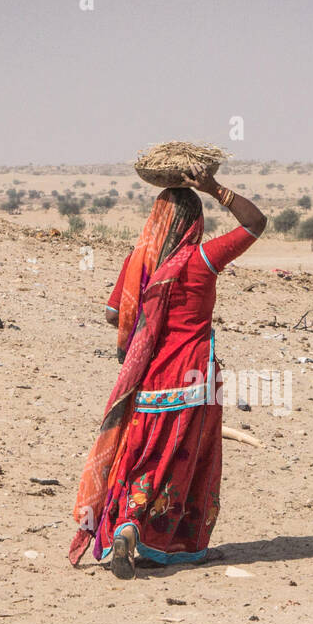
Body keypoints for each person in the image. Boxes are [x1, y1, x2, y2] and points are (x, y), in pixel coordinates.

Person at [69, 165, 266, 579]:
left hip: (150, 379)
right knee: (183, 462)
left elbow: (112, 314)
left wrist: (147, 316)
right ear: (195, 223)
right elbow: (255, 223)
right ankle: (166, 540)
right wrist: (215, 189)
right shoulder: (202, 259)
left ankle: (126, 525)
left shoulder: (140, 264)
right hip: (195, 380)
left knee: (141, 455)